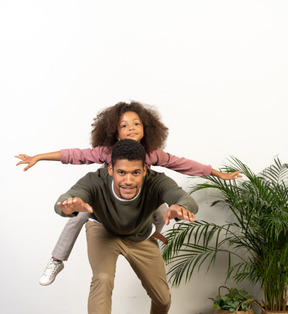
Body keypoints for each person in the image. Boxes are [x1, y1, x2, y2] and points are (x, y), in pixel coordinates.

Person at [16, 101, 242, 286]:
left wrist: (216, 173)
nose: (131, 127)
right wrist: (39, 156)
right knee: (80, 214)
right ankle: (57, 259)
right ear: (114, 131)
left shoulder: (152, 154)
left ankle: (154, 235)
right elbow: (74, 155)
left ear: (146, 129)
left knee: (161, 208)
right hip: (107, 201)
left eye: (136, 123)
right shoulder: (106, 152)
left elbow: (181, 164)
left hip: (138, 198)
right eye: (124, 125)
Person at [54, 139, 198, 314]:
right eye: (121, 172)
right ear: (110, 169)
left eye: (135, 172)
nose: (128, 180)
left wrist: (181, 207)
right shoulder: (94, 180)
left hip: (141, 236)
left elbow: (183, 198)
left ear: (144, 169)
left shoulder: (156, 181)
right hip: (103, 233)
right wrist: (69, 205)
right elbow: (65, 200)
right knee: (102, 280)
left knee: (163, 296)